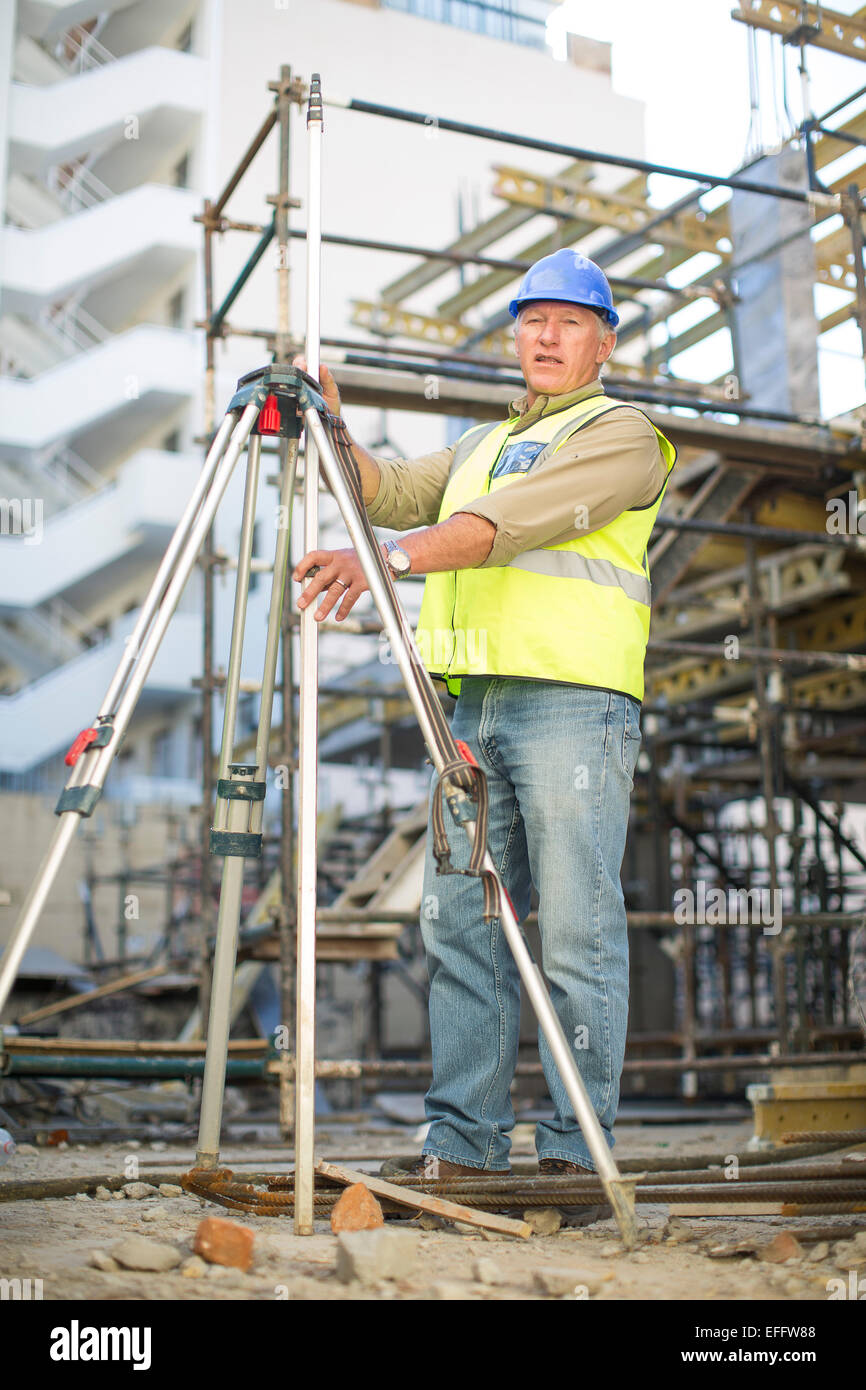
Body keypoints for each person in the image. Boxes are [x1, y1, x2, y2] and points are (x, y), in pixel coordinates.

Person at [292, 249, 676, 1222]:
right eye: (531, 320)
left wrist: (389, 555)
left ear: (603, 341)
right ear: (515, 336)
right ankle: (463, 1148)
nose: (545, 336)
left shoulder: (622, 436)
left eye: (568, 321)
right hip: (467, 707)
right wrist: (331, 422)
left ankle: (575, 1152)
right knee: (457, 922)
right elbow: (380, 488)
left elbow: (502, 523)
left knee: (577, 927)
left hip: (570, 701)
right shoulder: (476, 441)